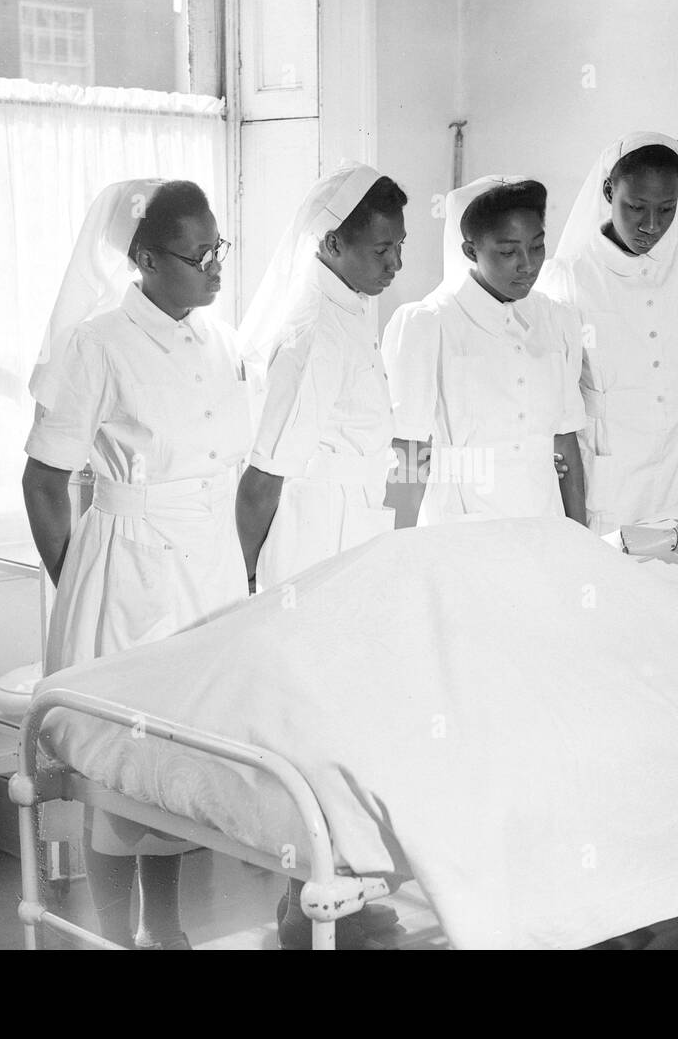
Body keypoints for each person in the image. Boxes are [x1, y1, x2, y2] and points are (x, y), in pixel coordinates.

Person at [22, 179, 250, 950]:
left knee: (180, 765)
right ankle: (117, 935)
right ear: (146, 259)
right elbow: (44, 478)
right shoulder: (99, 343)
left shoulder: (218, 338)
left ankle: (171, 928)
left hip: (206, 571)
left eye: (220, 247)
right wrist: (80, 582)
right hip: (127, 571)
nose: (216, 266)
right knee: (117, 772)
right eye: (199, 254)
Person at [233, 162, 407, 948]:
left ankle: (342, 890)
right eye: (381, 250)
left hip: (353, 542)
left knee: (349, 726)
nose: (395, 265)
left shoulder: (352, 312)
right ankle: (305, 903)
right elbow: (262, 480)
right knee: (311, 732)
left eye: (400, 247)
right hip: (310, 553)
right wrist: (244, 582)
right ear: (332, 242)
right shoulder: (312, 331)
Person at [538, 132, 678, 535]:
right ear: (608, 191)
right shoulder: (568, 276)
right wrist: (574, 523)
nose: (651, 225)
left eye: (666, 209)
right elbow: (558, 410)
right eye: (635, 207)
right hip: (603, 481)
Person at [383, 176, 587, 528]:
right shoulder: (430, 323)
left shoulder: (557, 320)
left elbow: (566, 440)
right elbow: (408, 454)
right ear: (471, 251)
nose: (527, 264)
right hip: (464, 526)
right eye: (508, 252)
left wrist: (582, 541)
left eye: (537, 246)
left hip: (545, 524)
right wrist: (395, 554)